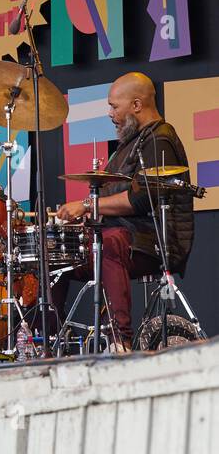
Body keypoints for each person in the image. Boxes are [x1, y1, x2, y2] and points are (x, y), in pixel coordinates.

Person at [52, 73, 194, 348]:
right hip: (126, 237)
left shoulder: (159, 140)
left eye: (115, 106)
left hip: (155, 242)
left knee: (108, 243)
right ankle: (45, 341)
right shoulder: (129, 145)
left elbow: (143, 200)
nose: (110, 113)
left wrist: (86, 205)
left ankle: (121, 341)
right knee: (55, 255)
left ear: (137, 105)